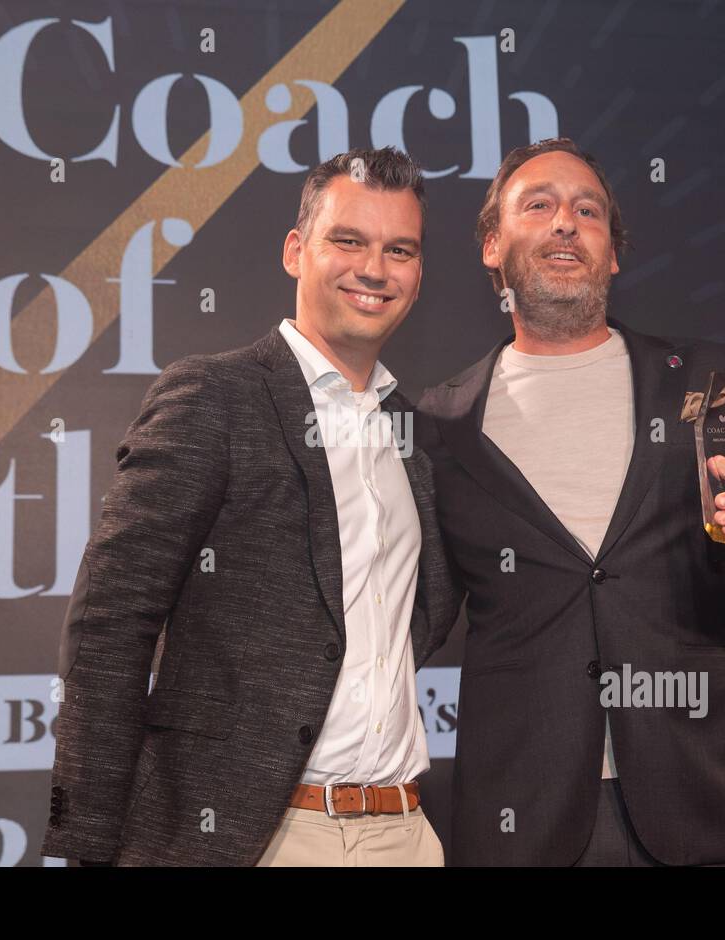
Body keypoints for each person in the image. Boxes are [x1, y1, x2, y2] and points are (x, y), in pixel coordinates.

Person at [41, 147, 460, 866]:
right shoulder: (215, 397)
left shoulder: (415, 435)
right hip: (250, 838)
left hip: (404, 833)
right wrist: (88, 841)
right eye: (348, 240)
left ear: (418, 275)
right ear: (296, 251)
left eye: (400, 250)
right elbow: (111, 620)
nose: (374, 269)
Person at [417, 137, 725, 866]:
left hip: (705, 798)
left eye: (588, 211)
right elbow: (410, 613)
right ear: (491, 246)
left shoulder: (707, 380)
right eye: (538, 205)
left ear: (613, 256)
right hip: (525, 816)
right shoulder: (441, 423)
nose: (565, 222)